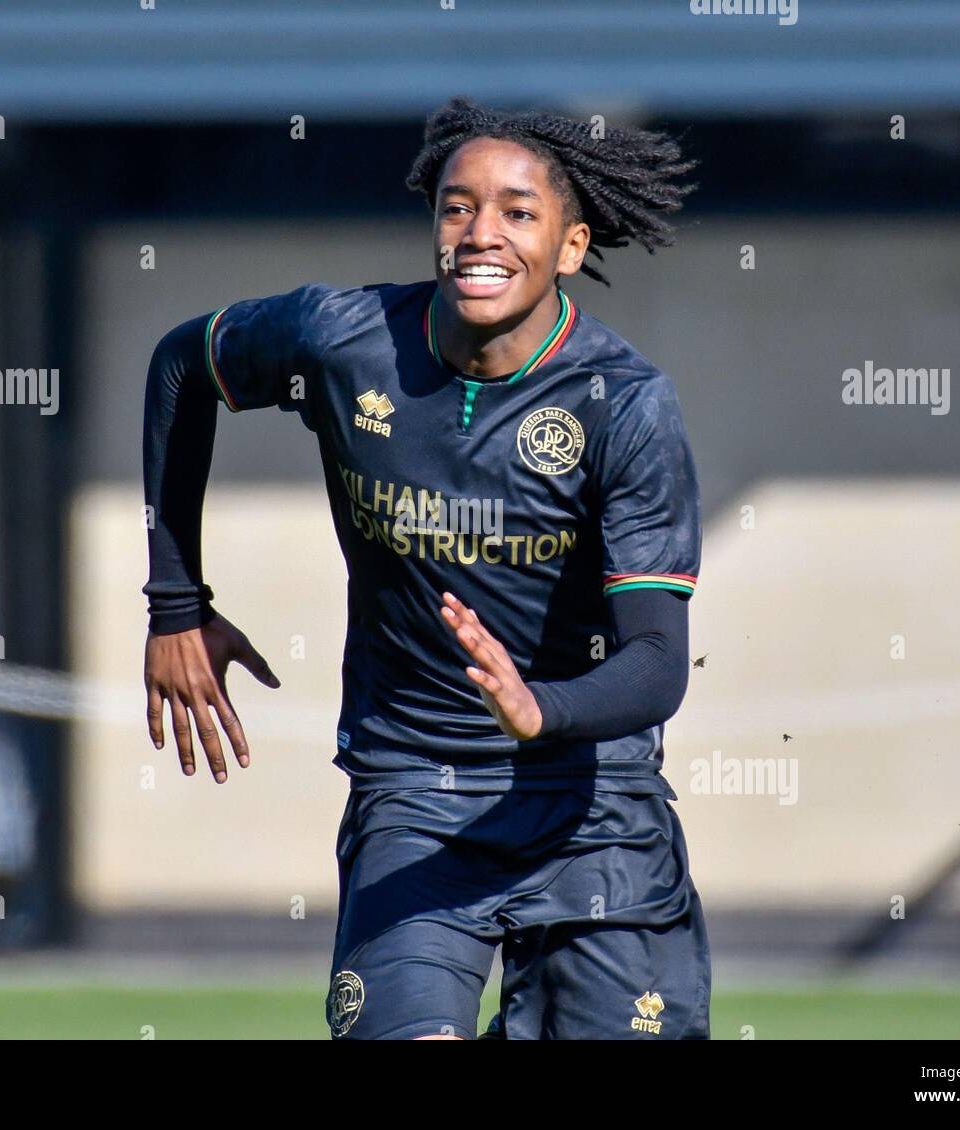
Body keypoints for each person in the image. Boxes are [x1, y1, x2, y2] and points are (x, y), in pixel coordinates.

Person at [141, 97, 709, 1039]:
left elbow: (657, 661)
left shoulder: (627, 407)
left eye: (518, 212)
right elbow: (180, 367)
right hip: (416, 792)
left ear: (571, 246)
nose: (481, 233)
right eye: (457, 207)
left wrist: (543, 710)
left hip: (593, 802)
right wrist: (174, 605)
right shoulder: (341, 339)